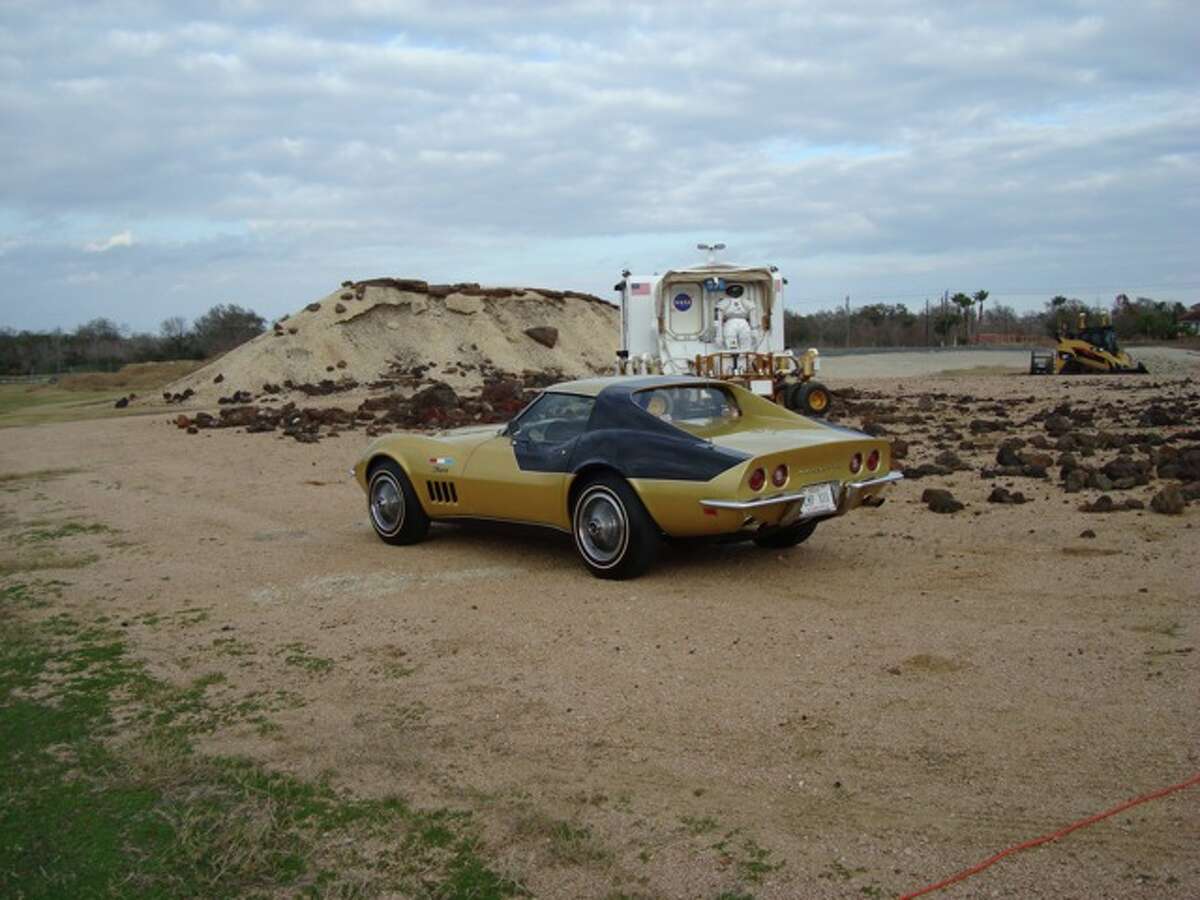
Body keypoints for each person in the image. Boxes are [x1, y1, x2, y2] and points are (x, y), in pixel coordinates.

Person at [716, 284, 755, 370]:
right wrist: (719, 335)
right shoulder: (724, 303)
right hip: (730, 324)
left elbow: (753, 316)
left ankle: (745, 368)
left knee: (746, 347)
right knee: (731, 347)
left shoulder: (746, 302)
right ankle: (730, 369)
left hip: (743, 324)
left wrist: (754, 330)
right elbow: (719, 320)